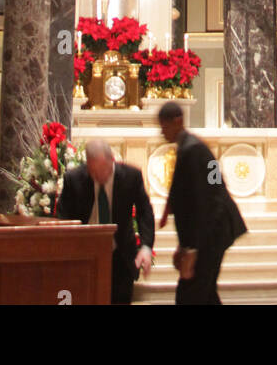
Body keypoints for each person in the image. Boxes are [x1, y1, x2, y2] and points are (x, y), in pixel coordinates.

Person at [157, 101, 247, 305]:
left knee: (191, 293)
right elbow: (209, 185)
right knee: (203, 293)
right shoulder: (192, 147)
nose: (162, 133)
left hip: (213, 230)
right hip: (213, 229)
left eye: (164, 126)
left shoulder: (193, 150)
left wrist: (191, 249)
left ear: (177, 122)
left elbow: (205, 200)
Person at [57, 138, 154, 305]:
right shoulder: (73, 179)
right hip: (84, 256)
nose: (100, 177)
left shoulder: (131, 176)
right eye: (94, 173)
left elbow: (145, 212)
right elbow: (63, 217)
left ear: (112, 160)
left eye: (105, 171)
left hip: (120, 255)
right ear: (88, 166)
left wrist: (145, 247)